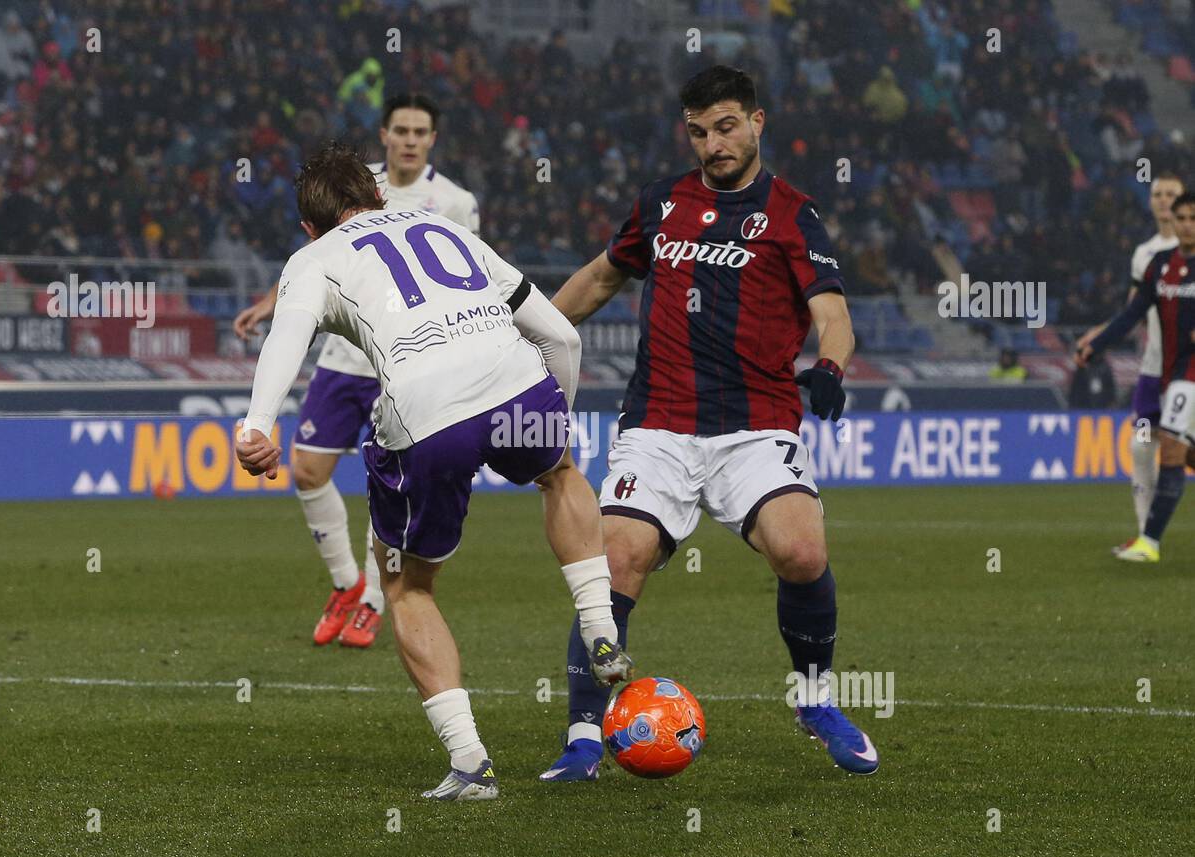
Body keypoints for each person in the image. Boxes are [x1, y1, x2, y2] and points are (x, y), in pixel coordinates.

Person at [236, 144, 627, 800]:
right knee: (561, 475)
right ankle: (600, 626)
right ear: (380, 196)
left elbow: (287, 334)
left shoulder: (314, 257)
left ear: (309, 226)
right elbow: (562, 335)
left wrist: (257, 423)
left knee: (407, 586)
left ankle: (471, 762)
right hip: (517, 384)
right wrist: (555, 425)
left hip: (426, 413)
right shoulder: (446, 227)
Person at [538, 65, 879, 781]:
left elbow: (833, 314)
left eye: (725, 127)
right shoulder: (662, 203)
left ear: (758, 122)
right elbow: (602, 276)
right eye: (698, 132)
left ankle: (814, 699)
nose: (713, 144)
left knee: (802, 551)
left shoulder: (792, 214)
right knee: (615, 560)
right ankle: (582, 735)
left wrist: (832, 367)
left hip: (754, 424)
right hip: (658, 422)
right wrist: (527, 326)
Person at [233, 94, 479, 650]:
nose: (411, 140)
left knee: (382, 485)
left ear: (433, 139)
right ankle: (347, 583)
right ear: (386, 135)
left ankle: (372, 601)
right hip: (343, 360)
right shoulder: (354, 184)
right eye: (402, 130)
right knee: (306, 470)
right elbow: (318, 256)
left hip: (406, 361)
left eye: (421, 131)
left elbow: (468, 273)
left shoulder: (455, 202)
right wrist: (274, 301)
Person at [1077, 190, 1195, 563]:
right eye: (1182, 218)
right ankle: (1146, 534)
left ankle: (1150, 541)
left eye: (1194, 218)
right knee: (1154, 443)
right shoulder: (1156, 262)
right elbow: (1132, 314)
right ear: (1171, 222)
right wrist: (1098, 344)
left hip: (1188, 377)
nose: (1188, 225)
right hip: (1160, 375)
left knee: (1172, 449)